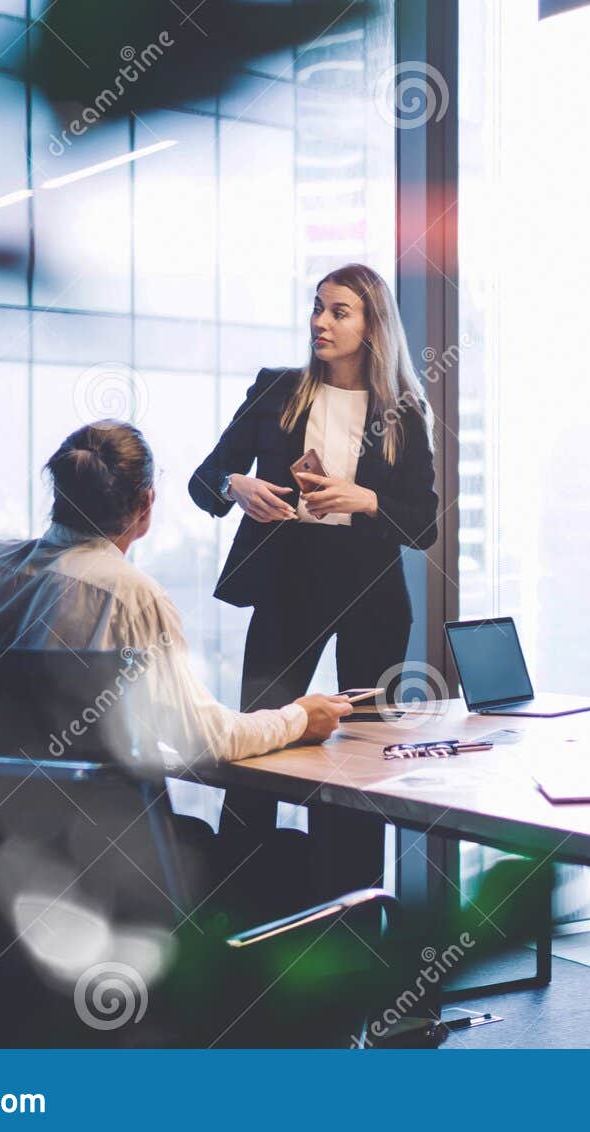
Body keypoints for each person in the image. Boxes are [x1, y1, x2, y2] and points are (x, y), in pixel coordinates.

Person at [189, 262, 439, 896]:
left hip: (372, 595)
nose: (320, 322)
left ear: (372, 326)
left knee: (366, 757)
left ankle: (353, 909)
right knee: (257, 741)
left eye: (339, 312)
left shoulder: (404, 411)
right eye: (317, 307)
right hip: (287, 583)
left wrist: (367, 502)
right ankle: (236, 905)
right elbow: (205, 480)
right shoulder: (277, 389)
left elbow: (424, 525)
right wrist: (235, 485)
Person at [0, 420, 352, 765]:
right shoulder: (130, 596)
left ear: (59, 496)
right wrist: (298, 717)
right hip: (97, 838)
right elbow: (203, 739)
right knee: (286, 849)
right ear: (146, 505)